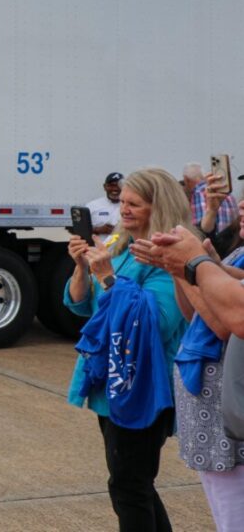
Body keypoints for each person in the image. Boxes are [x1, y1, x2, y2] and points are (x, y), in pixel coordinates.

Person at [63, 167, 189, 532]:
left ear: (158, 207)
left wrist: (105, 276)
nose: (125, 210)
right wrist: (80, 269)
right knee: (134, 484)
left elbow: (159, 322)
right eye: (123, 202)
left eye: (135, 204)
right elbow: (82, 307)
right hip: (112, 383)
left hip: (143, 385)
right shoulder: (120, 243)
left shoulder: (167, 253)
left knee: (128, 485)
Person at [130, 206, 244, 532]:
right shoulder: (238, 252)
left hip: (228, 419)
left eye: (133, 202)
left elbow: (227, 323)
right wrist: (180, 269)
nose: (242, 205)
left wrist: (191, 266)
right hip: (213, 416)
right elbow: (192, 315)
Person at [185, 161, 238, 232]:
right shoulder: (229, 196)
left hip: (210, 241)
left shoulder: (197, 195)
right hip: (229, 241)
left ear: (186, 179)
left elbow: (200, 232)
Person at [87, 172, 123, 236]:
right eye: (111, 185)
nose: (115, 188)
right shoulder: (92, 206)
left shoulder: (131, 206)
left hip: (125, 246)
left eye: (118, 185)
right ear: (105, 187)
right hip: (99, 246)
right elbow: (81, 230)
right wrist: (97, 229)